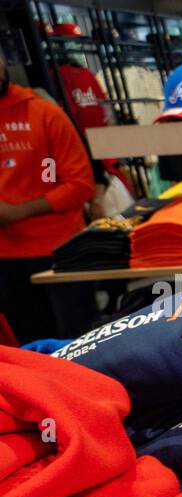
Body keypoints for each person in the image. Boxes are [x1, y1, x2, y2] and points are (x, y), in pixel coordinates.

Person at [0, 57, 95, 343]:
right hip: (6, 259)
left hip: (59, 253)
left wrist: (18, 211)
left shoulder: (43, 113)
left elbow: (79, 185)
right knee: (32, 351)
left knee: (77, 347)